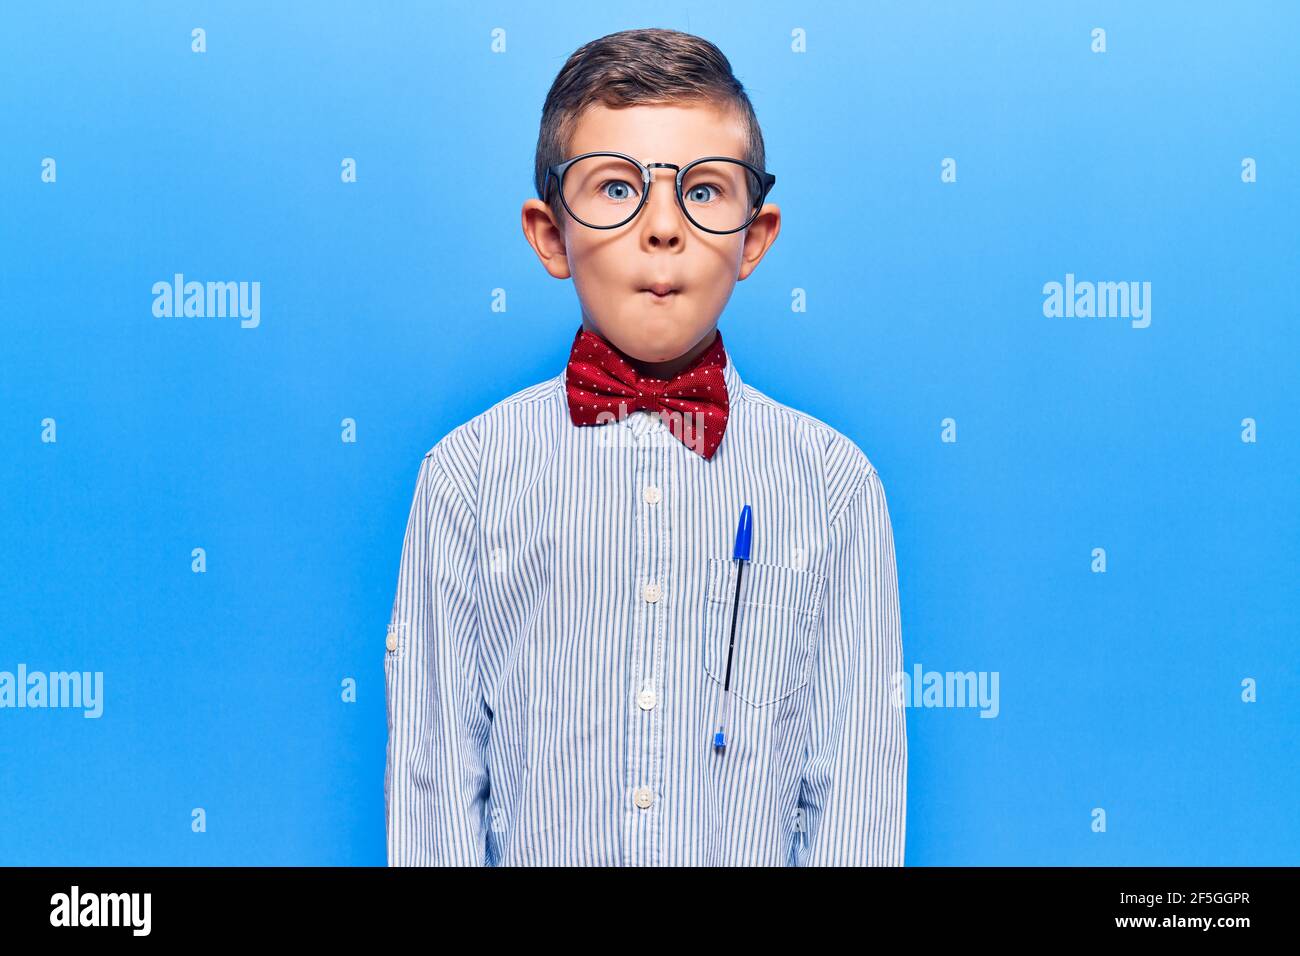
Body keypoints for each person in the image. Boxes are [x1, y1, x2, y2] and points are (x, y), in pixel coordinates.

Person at [384, 27, 906, 866]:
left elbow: (856, 793)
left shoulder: (835, 487)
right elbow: (435, 782)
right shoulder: (466, 479)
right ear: (549, 234)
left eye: (703, 192)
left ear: (757, 235)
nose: (662, 229)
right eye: (616, 188)